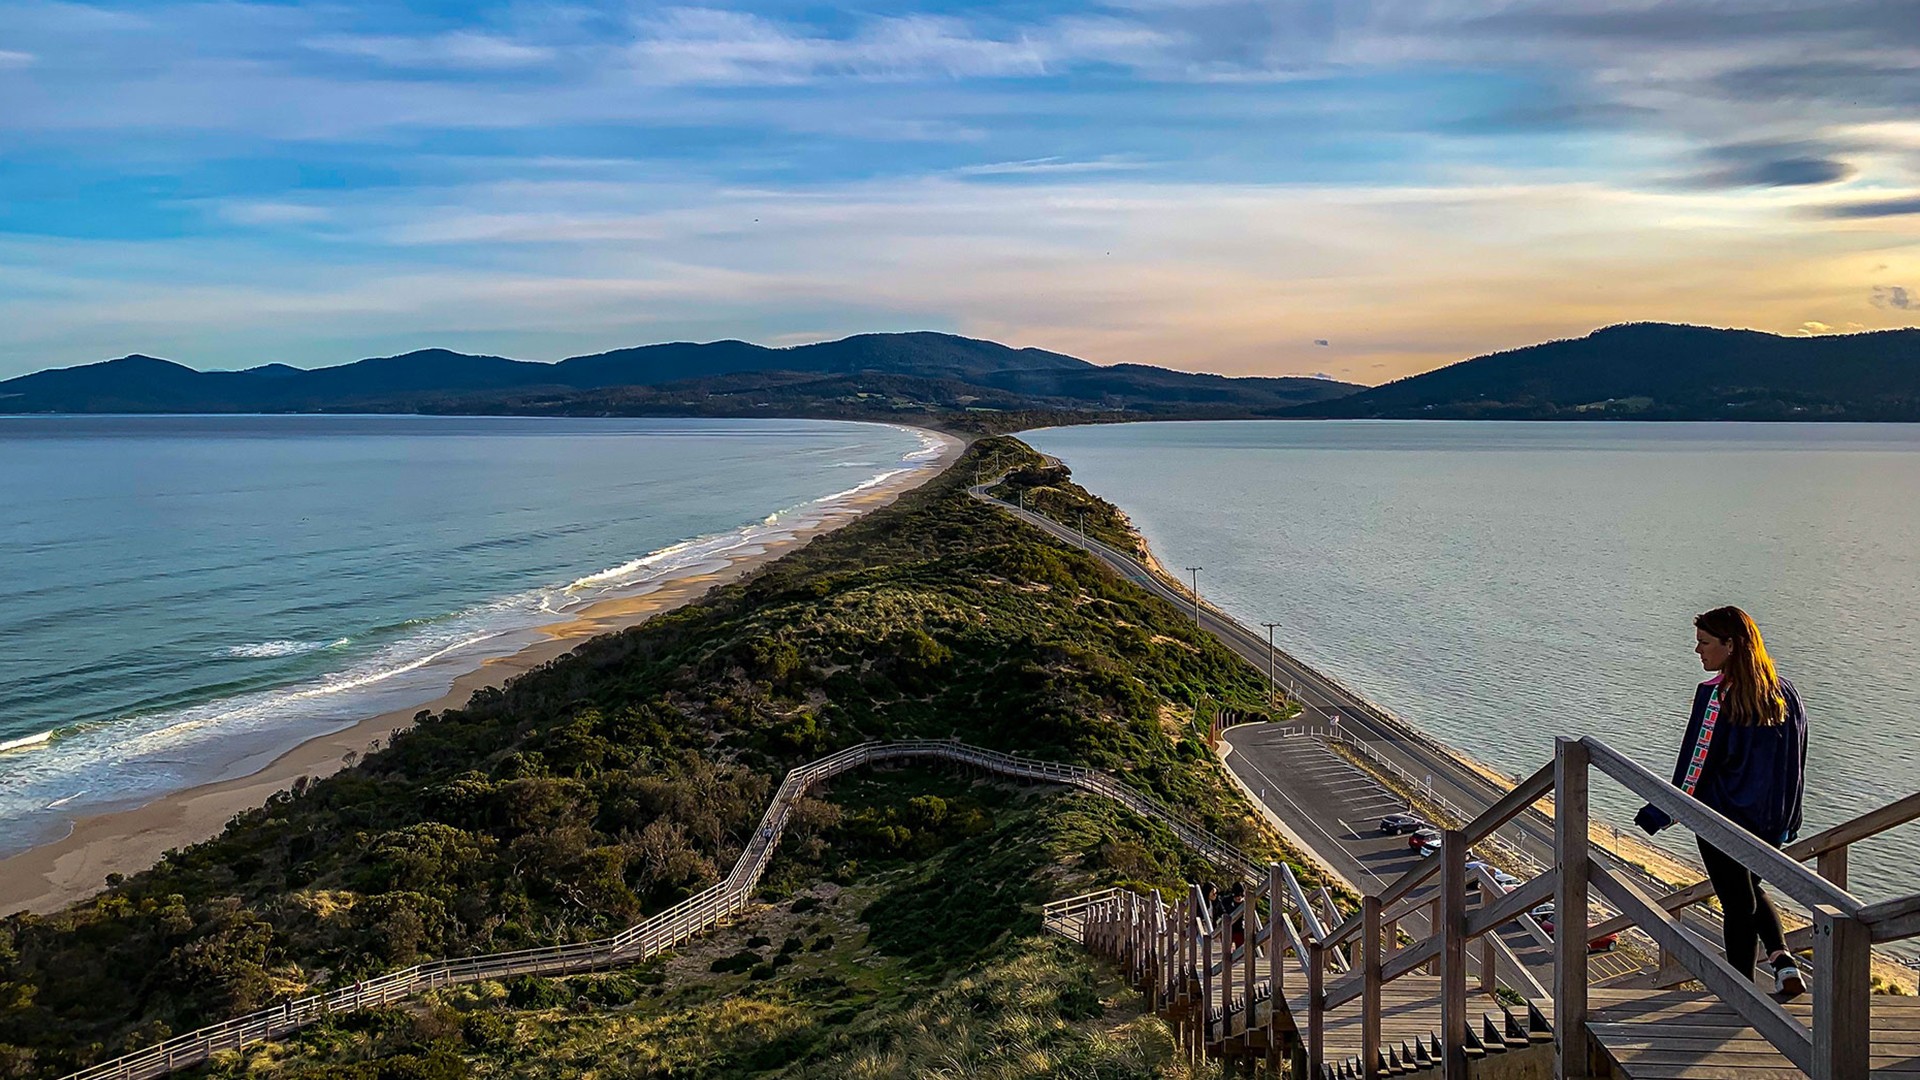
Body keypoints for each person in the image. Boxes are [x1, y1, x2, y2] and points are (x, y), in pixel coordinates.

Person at [1634, 606, 1809, 996]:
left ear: (1731, 645)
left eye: (1704, 643)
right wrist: (1789, 820)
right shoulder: (1786, 694)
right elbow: (1797, 762)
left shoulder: (1717, 697)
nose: (1698, 651)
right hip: (1770, 821)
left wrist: (1660, 813)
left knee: (1736, 903)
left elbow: (1696, 764)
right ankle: (1782, 961)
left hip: (1722, 819)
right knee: (1748, 890)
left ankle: (1741, 994)